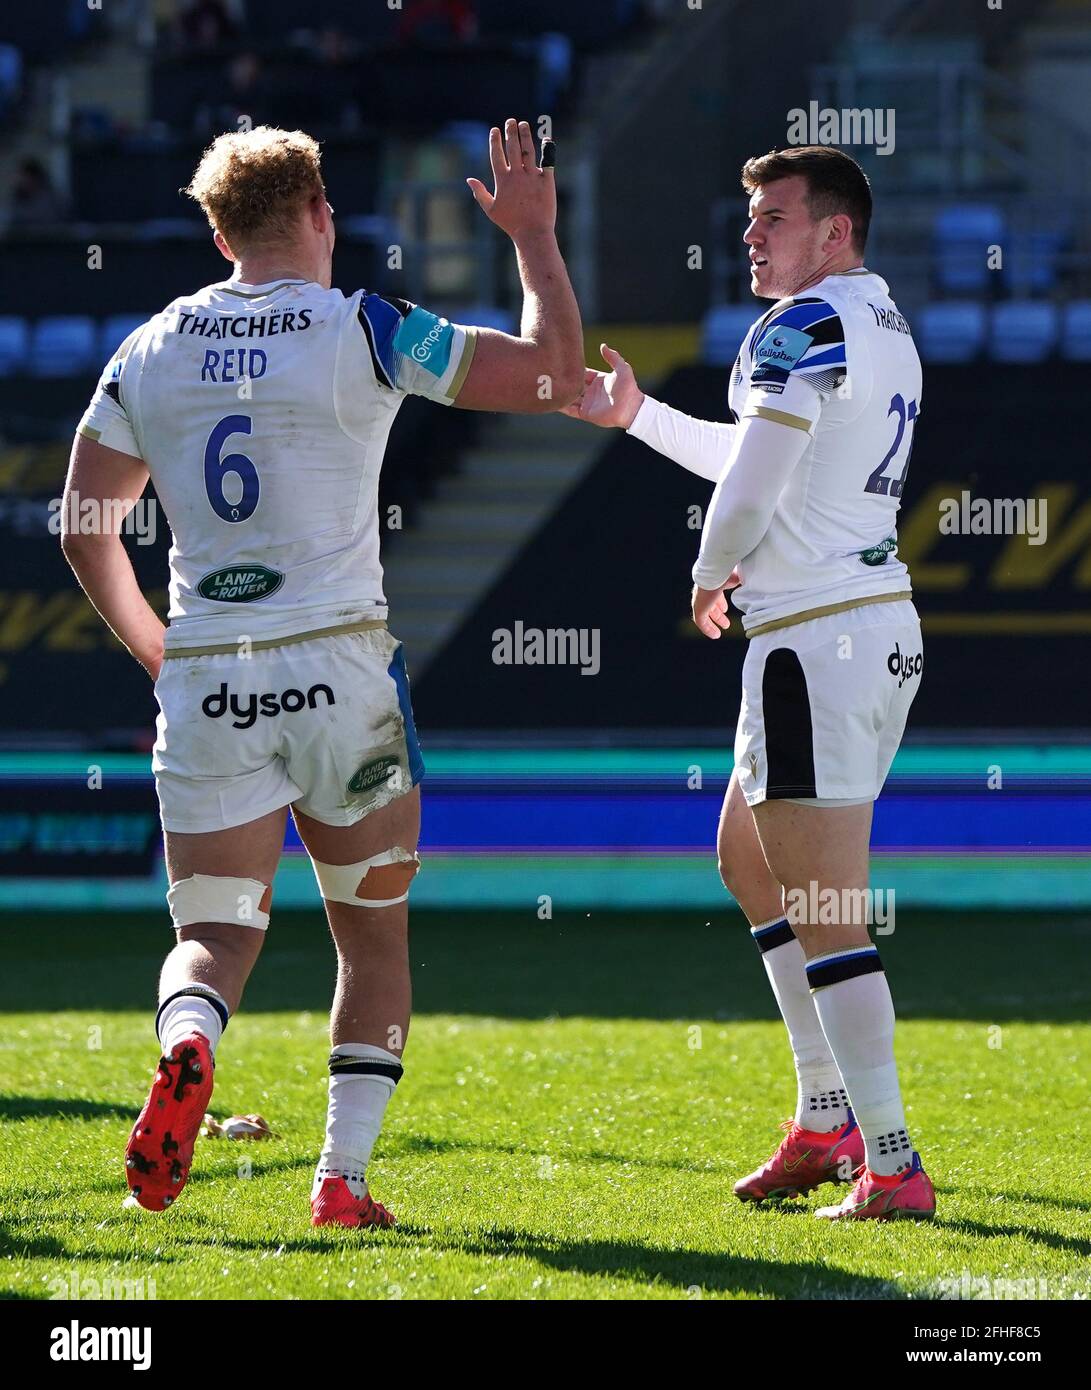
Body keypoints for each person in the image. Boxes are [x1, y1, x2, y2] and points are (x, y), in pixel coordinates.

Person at [61, 121, 582, 1229]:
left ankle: (192, 1044)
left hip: (206, 674)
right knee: (371, 937)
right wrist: (534, 239)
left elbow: (82, 525)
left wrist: (153, 644)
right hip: (341, 668)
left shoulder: (148, 346)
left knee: (212, 936)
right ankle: (340, 1180)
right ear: (320, 216)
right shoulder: (367, 325)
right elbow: (552, 377)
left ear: (216, 231)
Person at [564, 145, 934, 1221]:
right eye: (750, 217)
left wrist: (704, 566)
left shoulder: (802, 322)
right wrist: (633, 413)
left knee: (824, 906)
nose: (751, 233)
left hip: (813, 639)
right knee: (746, 859)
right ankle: (826, 1117)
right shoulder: (878, 322)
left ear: (836, 232)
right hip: (862, 629)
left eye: (774, 215)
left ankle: (892, 1159)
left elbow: (758, 480)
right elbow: (762, 449)